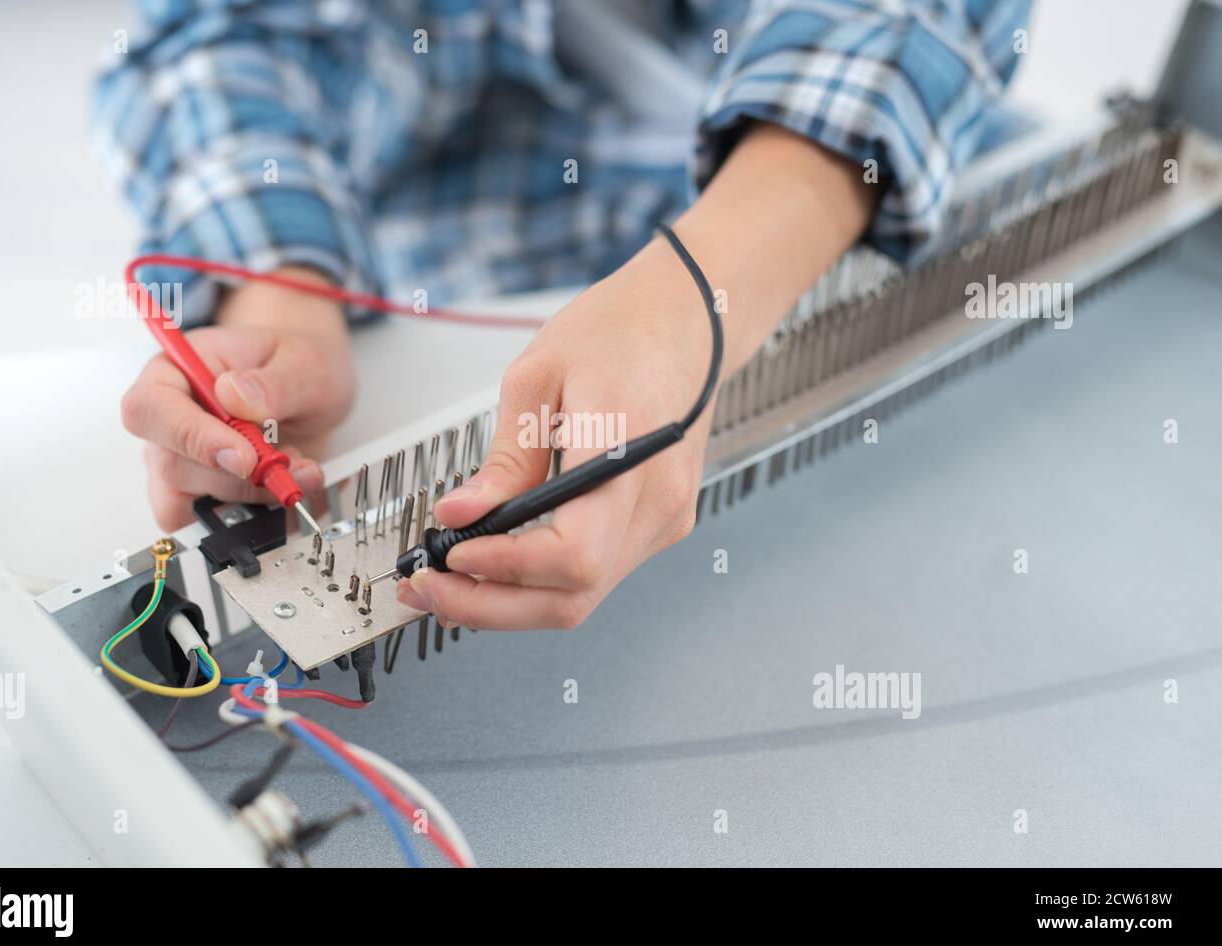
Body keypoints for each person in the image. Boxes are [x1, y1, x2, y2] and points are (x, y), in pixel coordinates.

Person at [95, 0, 1029, 631]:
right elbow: (229, 37)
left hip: (892, 227)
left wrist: (698, 295)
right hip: (469, 271)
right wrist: (288, 302)